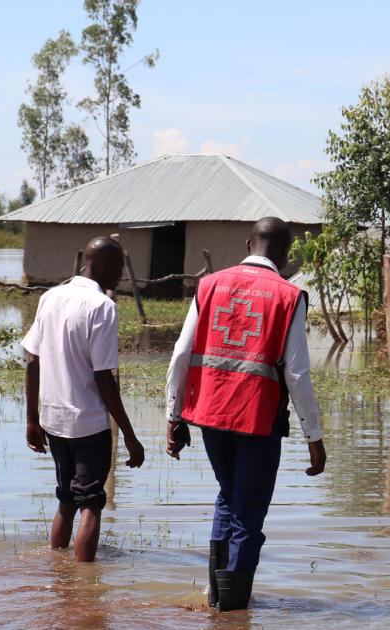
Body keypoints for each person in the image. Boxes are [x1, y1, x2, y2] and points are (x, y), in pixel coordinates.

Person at [164, 217, 327, 611]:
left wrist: (174, 415)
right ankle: (232, 610)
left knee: (228, 498)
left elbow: (181, 353)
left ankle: (218, 599)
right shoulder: (289, 296)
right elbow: (297, 373)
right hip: (258, 418)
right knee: (248, 514)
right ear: (286, 254)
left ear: (248, 242)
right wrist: (314, 437)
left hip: (211, 415)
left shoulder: (209, 284)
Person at [23, 236, 145, 561]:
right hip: (88, 423)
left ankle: (58, 575)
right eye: (118, 268)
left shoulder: (50, 297)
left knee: (66, 499)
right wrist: (130, 435)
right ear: (105, 266)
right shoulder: (102, 307)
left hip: (53, 420)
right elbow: (104, 377)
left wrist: (32, 419)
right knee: (91, 504)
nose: (119, 275)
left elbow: (33, 361)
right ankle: (83, 591)